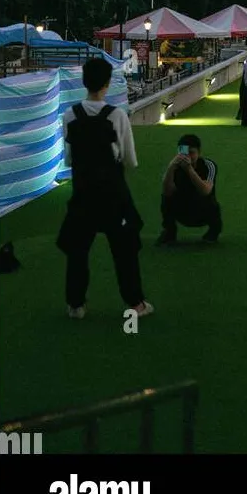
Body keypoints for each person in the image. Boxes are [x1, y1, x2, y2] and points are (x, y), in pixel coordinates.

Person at [56, 57, 153, 320]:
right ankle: (135, 304)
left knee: (77, 251)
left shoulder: (70, 115)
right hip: (113, 196)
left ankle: (75, 305)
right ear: (107, 83)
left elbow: (69, 159)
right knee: (125, 252)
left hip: (83, 195)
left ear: (84, 81)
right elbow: (130, 160)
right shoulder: (116, 115)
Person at [157, 134, 221, 245]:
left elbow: (205, 191)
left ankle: (213, 232)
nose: (187, 157)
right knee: (165, 198)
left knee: (213, 205)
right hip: (181, 209)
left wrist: (189, 170)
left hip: (203, 211)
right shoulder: (175, 167)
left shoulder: (209, 165)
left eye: (191, 153)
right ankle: (169, 232)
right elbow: (167, 192)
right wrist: (171, 168)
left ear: (199, 153)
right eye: (184, 153)